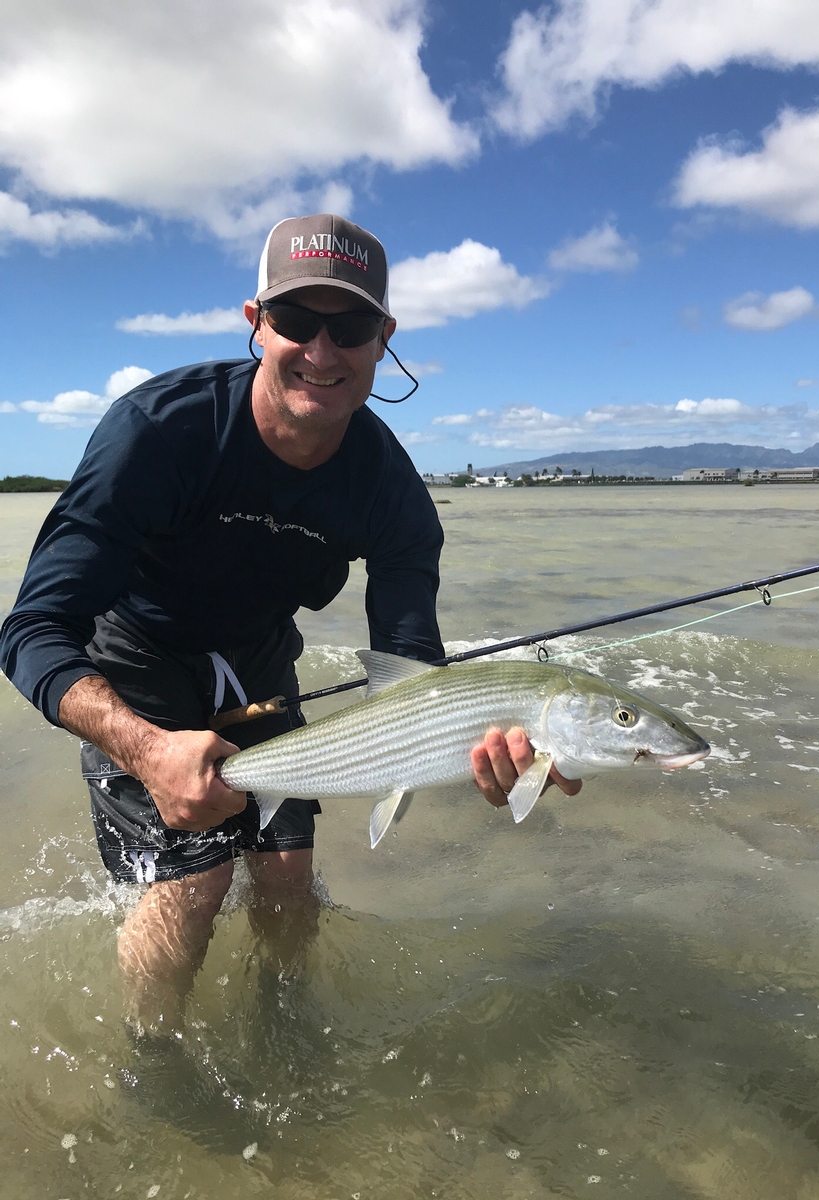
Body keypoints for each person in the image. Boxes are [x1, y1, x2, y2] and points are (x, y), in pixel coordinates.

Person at [0, 214, 580, 1036]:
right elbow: (31, 630)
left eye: (347, 327)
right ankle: (153, 1064)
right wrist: (146, 747)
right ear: (256, 324)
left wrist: (479, 744)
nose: (321, 350)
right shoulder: (158, 434)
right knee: (195, 888)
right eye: (297, 321)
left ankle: (285, 1023)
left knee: (287, 876)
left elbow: (409, 662)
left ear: (383, 338)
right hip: (138, 656)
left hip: (260, 662)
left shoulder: (390, 490)